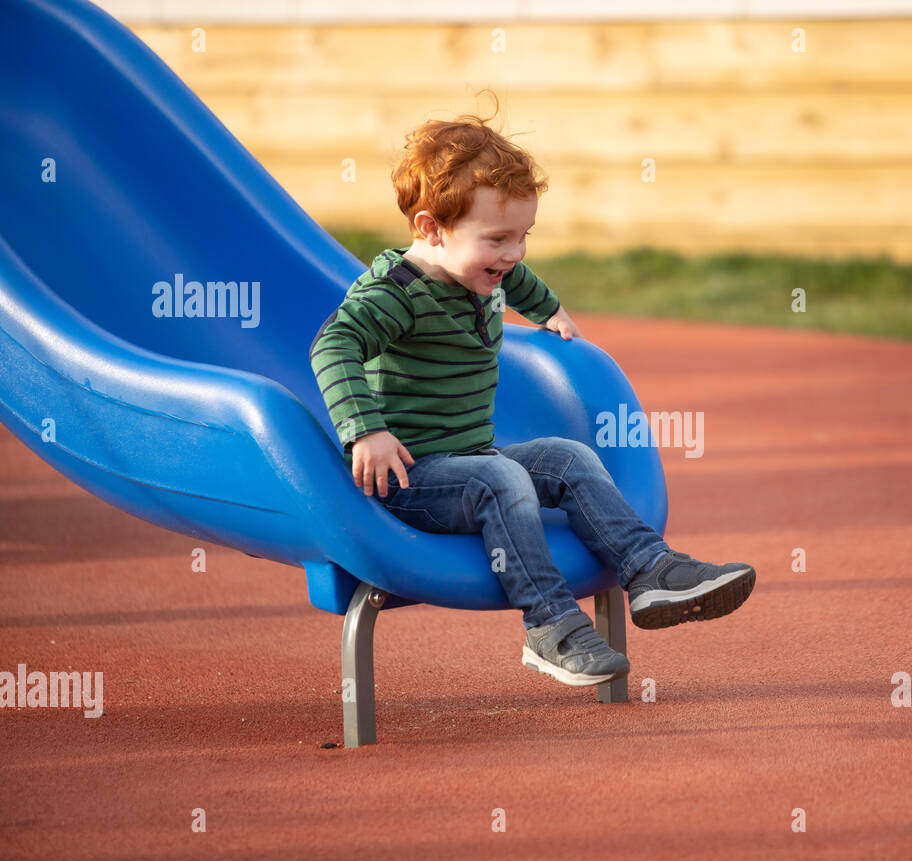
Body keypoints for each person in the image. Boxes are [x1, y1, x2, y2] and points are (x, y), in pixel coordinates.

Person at [309, 97, 755, 688]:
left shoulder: (476, 264)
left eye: (525, 236)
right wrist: (366, 430)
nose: (514, 253)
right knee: (504, 480)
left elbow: (516, 278)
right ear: (430, 229)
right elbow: (332, 343)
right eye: (500, 238)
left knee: (568, 459)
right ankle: (549, 627)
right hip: (408, 479)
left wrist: (548, 310)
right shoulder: (396, 292)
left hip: (468, 461)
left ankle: (651, 572)